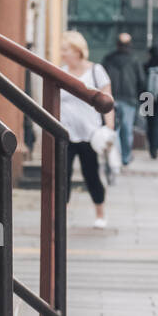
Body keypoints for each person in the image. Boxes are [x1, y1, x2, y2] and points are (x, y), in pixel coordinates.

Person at [59, 30, 116, 228]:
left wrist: (109, 128)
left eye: (65, 49)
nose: (62, 53)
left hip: (90, 134)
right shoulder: (61, 72)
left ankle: (100, 213)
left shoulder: (96, 71)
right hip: (65, 133)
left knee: (90, 174)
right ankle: (61, 216)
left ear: (77, 51)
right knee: (62, 176)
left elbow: (108, 101)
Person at [102, 31, 143, 167]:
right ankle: (126, 157)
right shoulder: (135, 60)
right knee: (127, 129)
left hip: (111, 98)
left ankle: (118, 156)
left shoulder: (108, 59)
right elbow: (142, 81)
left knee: (114, 128)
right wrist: (142, 98)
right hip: (129, 99)